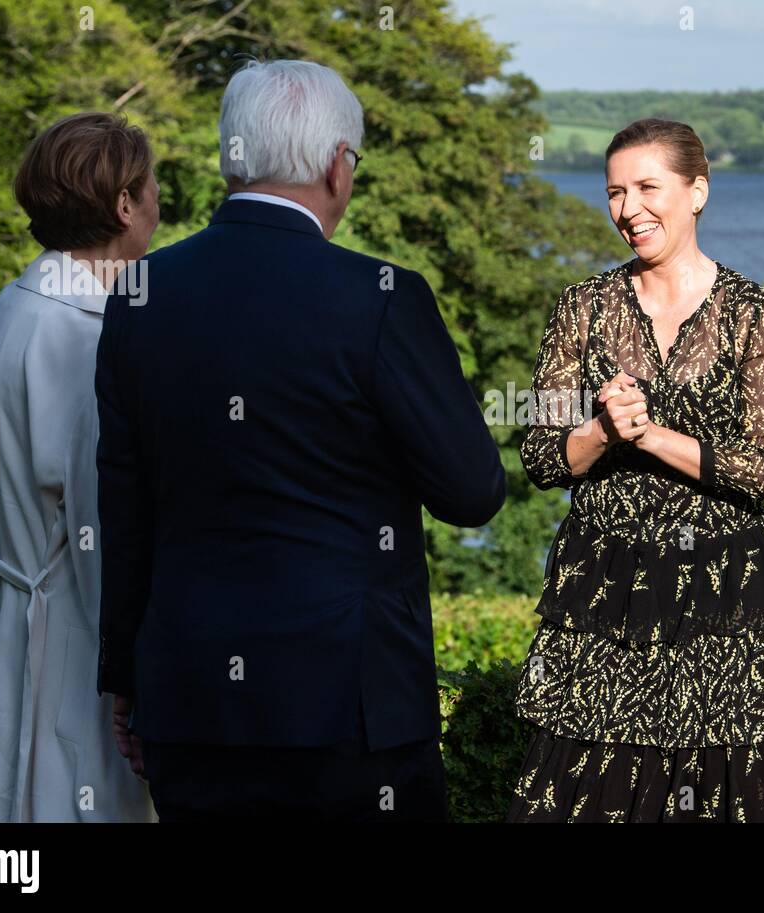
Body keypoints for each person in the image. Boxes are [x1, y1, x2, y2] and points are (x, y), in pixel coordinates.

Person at [94, 59, 506, 821]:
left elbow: (122, 509)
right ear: (335, 166)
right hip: (352, 707)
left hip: (192, 700)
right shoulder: (384, 298)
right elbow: (472, 490)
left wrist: (126, 677)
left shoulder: (138, 295)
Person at [508, 119, 764, 822]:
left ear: (697, 191)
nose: (628, 208)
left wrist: (653, 435)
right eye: (614, 192)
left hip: (721, 599)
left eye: (647, 187)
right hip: (603, 594)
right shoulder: (581, 308)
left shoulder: (754, 314)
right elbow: (541, 455)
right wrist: (601, 430)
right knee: (578, 788)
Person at [0, 112, 160, 821]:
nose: (160, 201)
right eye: (151, 184)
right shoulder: (88, 332)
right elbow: (101, 522)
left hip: (15, 604)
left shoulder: (6, 312)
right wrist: (134, 670)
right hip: (73, 627)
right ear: (125, 204)